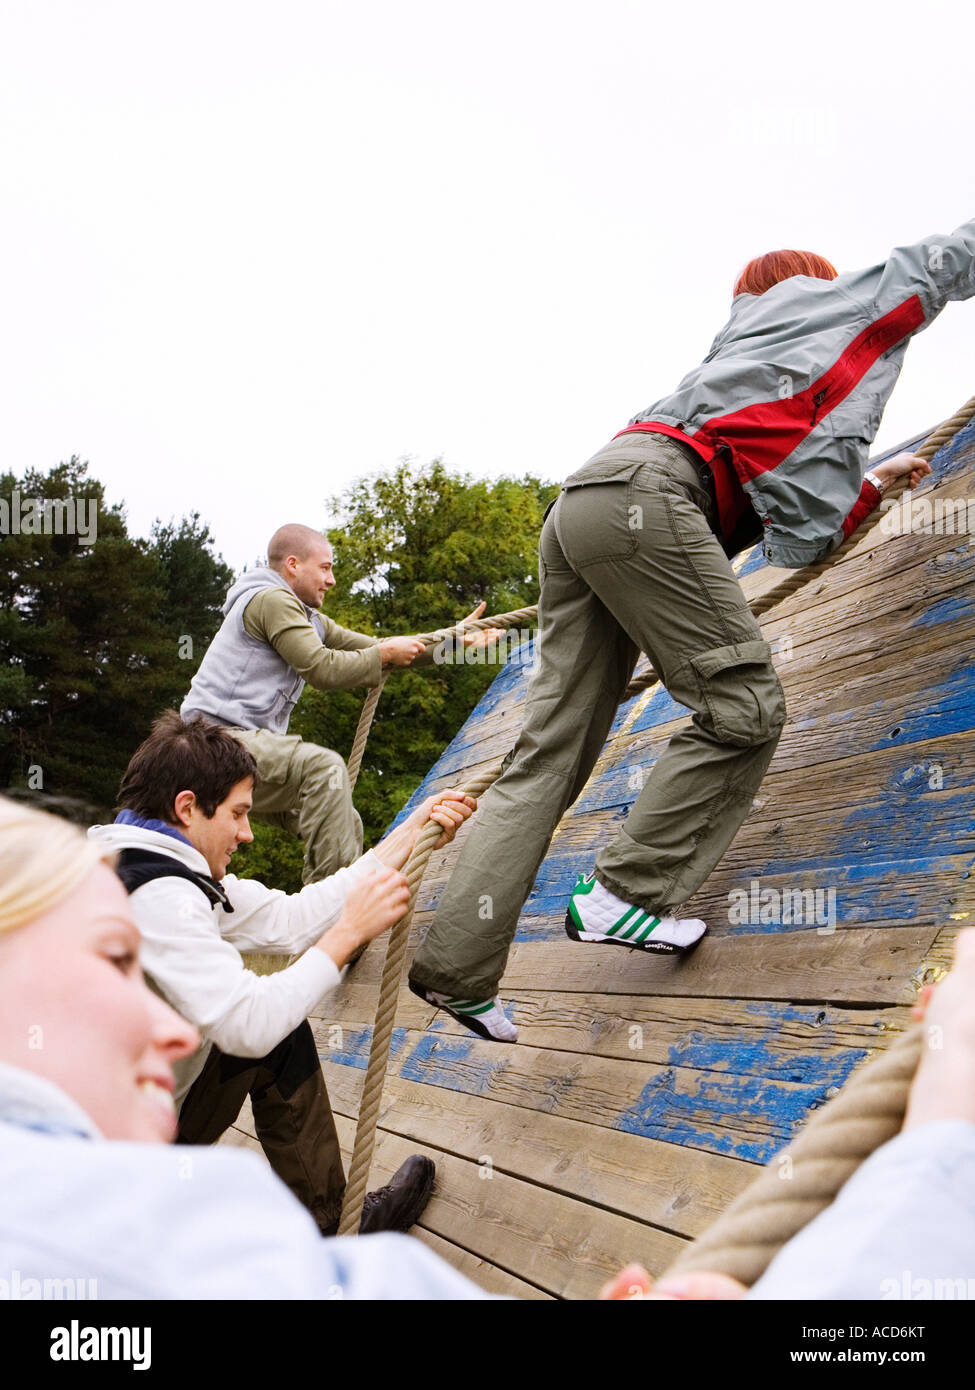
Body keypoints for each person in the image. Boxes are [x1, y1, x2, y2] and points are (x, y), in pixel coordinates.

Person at [2, 793, 974, 1300]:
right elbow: (243, 1017)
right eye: (114, 959)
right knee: (260, 1037)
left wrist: (404, 844)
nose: (164, 1021)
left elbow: (293, 908)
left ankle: (331, 1226)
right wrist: (946, 1137)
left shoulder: (195, 883)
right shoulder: (107, 1236)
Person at [408, 219, 974, 1041]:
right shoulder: (833, 300)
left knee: (548, 751)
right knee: (744, 706)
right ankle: (623, 894)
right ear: (811, 281)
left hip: (585, 501)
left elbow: (778, 498)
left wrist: (868, 483)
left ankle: (456, 970)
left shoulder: (735, 349)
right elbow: (940, 260)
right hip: (652, 496)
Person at [88, 712, 477, 1236]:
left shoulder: (141, 865)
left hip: (117, 1140)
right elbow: (246, 1025)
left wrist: (411, 832)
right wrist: (344, 938)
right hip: (100, 1180)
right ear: (187, 808)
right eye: (239, 814)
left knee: (279, 1031)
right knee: (268, 1030)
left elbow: (292, 920)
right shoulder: (158, 894)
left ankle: (330, 1221)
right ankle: (334, 1229)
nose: (247, 834)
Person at [180, 522, 499, 884]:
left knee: (344, 818)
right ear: (293, 564)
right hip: (210, 744)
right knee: (325, 771)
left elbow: (380, 646)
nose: (332, 580)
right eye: (326, 567)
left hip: (239, 752)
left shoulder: (309, 619)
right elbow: (321, 668)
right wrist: (382, 653)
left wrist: (455, 642)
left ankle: (349, 902)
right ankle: (331, 911)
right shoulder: (272, 601)